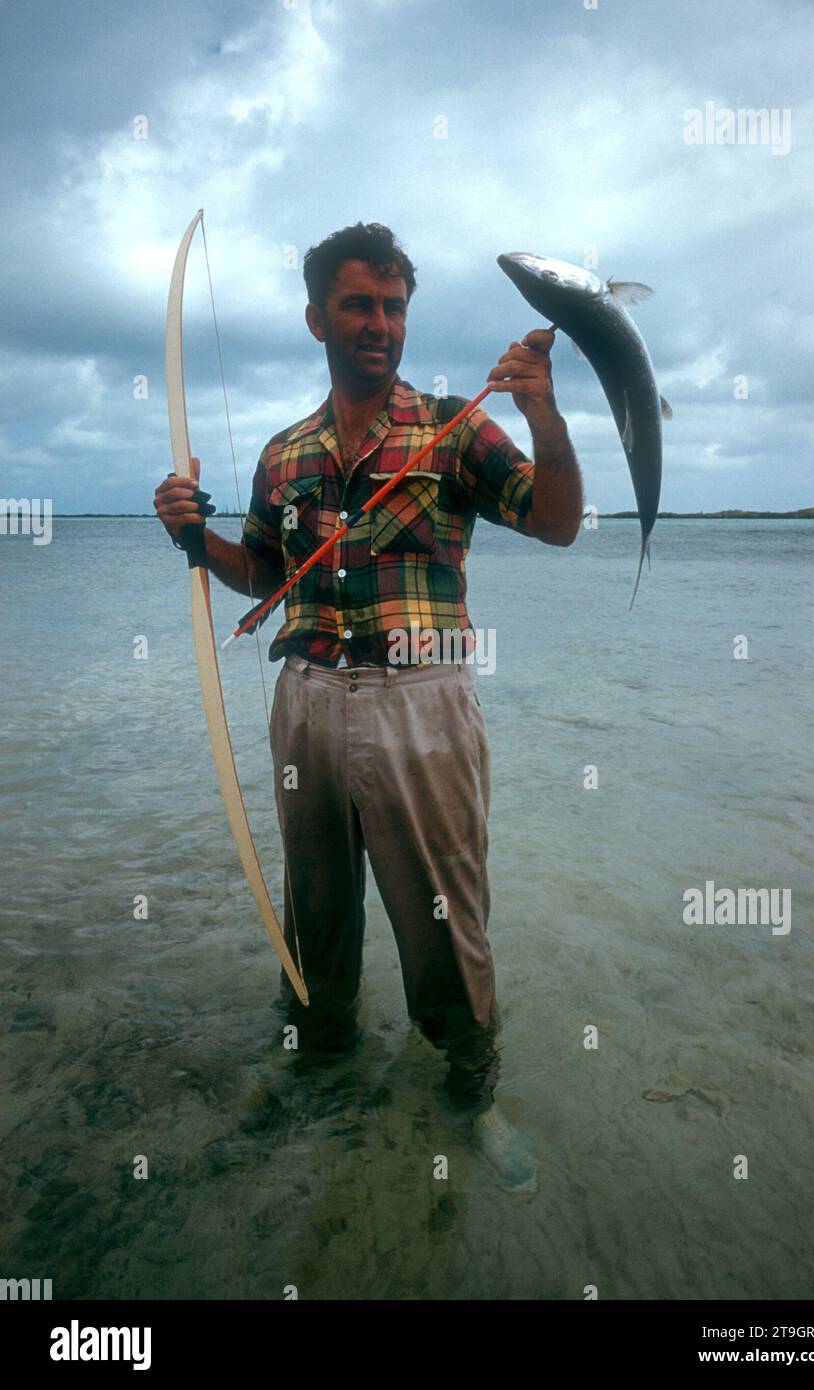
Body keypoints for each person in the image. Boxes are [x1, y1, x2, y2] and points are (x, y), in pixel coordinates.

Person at [154, 222, 582, 1190]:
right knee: (312, 908)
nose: (378, 324)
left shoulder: (451, 426)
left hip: (420, 700)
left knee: (444, 913)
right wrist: (195, 538)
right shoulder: (284, 452)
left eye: (392, 306)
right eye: (357, 304)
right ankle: (317, 1048)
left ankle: (473, 1087)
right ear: (317, 318)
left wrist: (545, 416)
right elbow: (260, 573)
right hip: (304, 697)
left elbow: (555, 521)